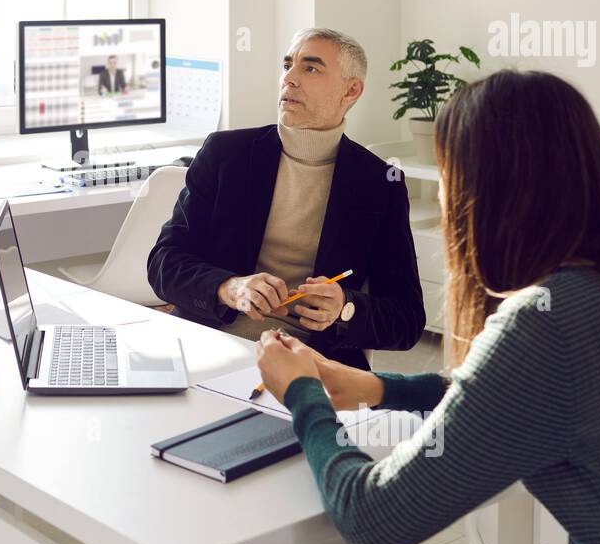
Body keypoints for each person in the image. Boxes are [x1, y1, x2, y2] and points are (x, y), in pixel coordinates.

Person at [254, 70, 600, 544]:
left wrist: (303, 397)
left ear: (483, 191)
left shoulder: (547, 321)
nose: (442, 193)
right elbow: (521, 396)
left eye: (448, 174)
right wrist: (375, 387)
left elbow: (371, 520)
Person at [147, 28, 426, 370]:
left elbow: (407, 319)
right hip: (211, 344)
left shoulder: (380, 183)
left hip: (311, 362)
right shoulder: (225, 153)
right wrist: (229, 287)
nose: (289, 79)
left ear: (351, 90)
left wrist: (345, 307)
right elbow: (164, 263)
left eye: (310, 68)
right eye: (287, 65)